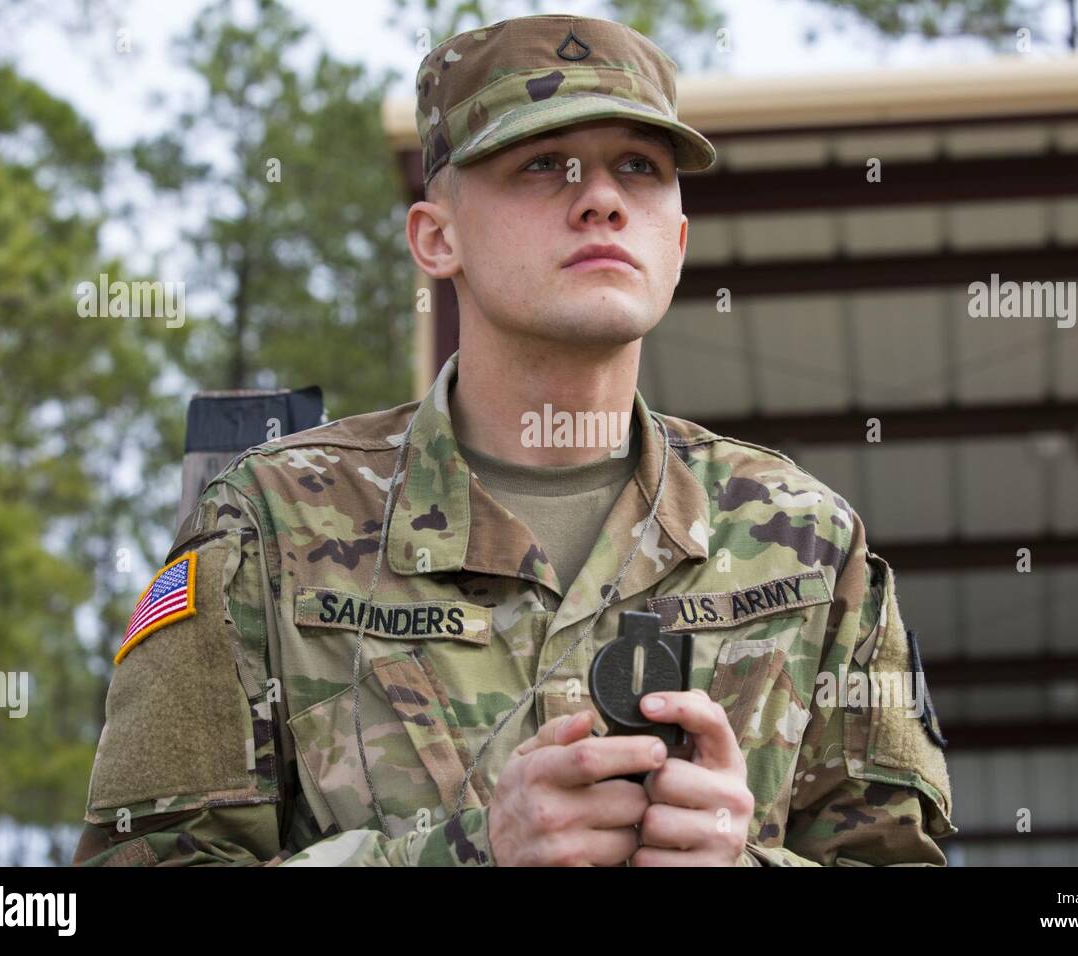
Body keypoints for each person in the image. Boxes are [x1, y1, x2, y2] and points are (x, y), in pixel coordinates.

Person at [73, 12, 955, 867]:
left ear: (677, 243)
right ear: (436, 236)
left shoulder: (808, 543)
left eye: (640, 168)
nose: (602, 199)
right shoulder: (269, 529)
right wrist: (469, 855)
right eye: (545, 165)